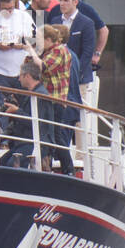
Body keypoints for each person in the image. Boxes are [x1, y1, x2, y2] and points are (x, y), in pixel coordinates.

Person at [28, 24, 74, 173]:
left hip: (55, 100)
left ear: (48, 39)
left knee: (55, 135)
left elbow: (43, 67)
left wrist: (30, 50)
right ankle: (50, 166)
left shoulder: (59, 51)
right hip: (50, 100)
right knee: (49, 134)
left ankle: (69, 169)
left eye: (40, 39)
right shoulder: (50, 51)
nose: (38, 42)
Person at [0, 57, 50, 168]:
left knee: (10, 165)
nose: (18, 79)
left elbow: (37, 123)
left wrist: (16, 111)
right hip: (24, 142)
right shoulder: (33, 94)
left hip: (35, 142)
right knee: (1, 163)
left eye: (20, 76)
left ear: (27, 76)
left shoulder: (40, 95)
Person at [55, 0, 110, 75]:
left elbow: (103, 30)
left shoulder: (87, 12)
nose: (63, 3)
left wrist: (97, 54)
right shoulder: (55, 12)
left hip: (79, 70)